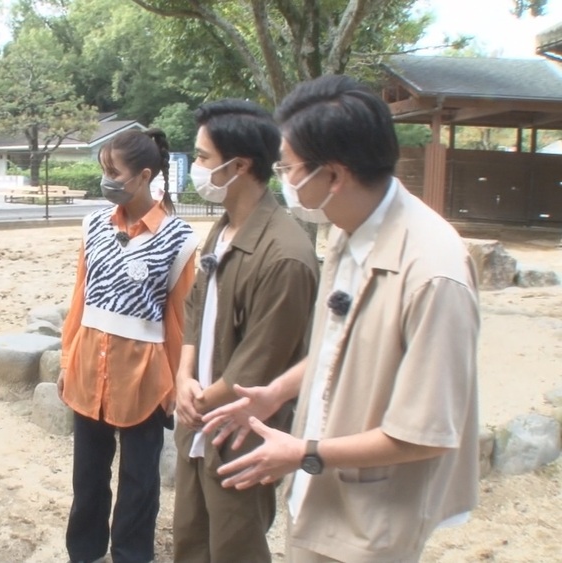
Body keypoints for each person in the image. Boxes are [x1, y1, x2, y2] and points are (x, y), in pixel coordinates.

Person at [202, 75, 480, 563]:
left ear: (333, 175)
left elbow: (422, 434)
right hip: (319, 496)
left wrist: (304, 453)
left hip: (371, 520)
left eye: (289, 168)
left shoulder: (434, 274)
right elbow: (339, 346)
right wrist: (276, 392)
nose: (283, 180)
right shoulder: (348, 232)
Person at [171, 100, 319, 562]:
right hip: (200, 422)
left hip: (240, 436)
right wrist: (182, 376)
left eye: (201, 158)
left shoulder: (287, 254)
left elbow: (262, 361)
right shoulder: (222, 230)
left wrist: (200, 400)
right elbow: (195, 306)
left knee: (236, 548)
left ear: (239, 166)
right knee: (191, 541)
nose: (194, 167)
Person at [57, 128, 200, 563]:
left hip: (144, 378)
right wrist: (67, 358)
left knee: (140, 481)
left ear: (142, 175)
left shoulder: (180, 239)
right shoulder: (93, 224)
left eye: (112, 172)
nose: (106, 179)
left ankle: (132, 555)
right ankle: (84, 553)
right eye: (104, 170)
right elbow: (80, 298)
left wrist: (177, 381)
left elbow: (180, 319)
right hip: (87, 367)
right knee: (88, 476)